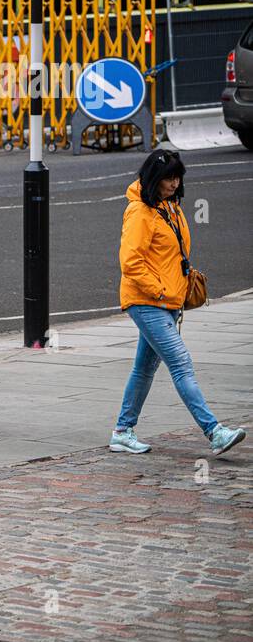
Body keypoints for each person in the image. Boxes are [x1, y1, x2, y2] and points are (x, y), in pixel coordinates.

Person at [111, 150, 244, 456]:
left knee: (144, 369)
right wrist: (158, 291)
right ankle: (214, 431)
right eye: (168, 177)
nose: (174, 183)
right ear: (153, 179)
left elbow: (172, 253)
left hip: (168, 301)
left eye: (177, 176)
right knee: (181, 363)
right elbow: (130, 262)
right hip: (147, 301)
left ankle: (122, 431)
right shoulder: (140, 213)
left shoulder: (170, 207)